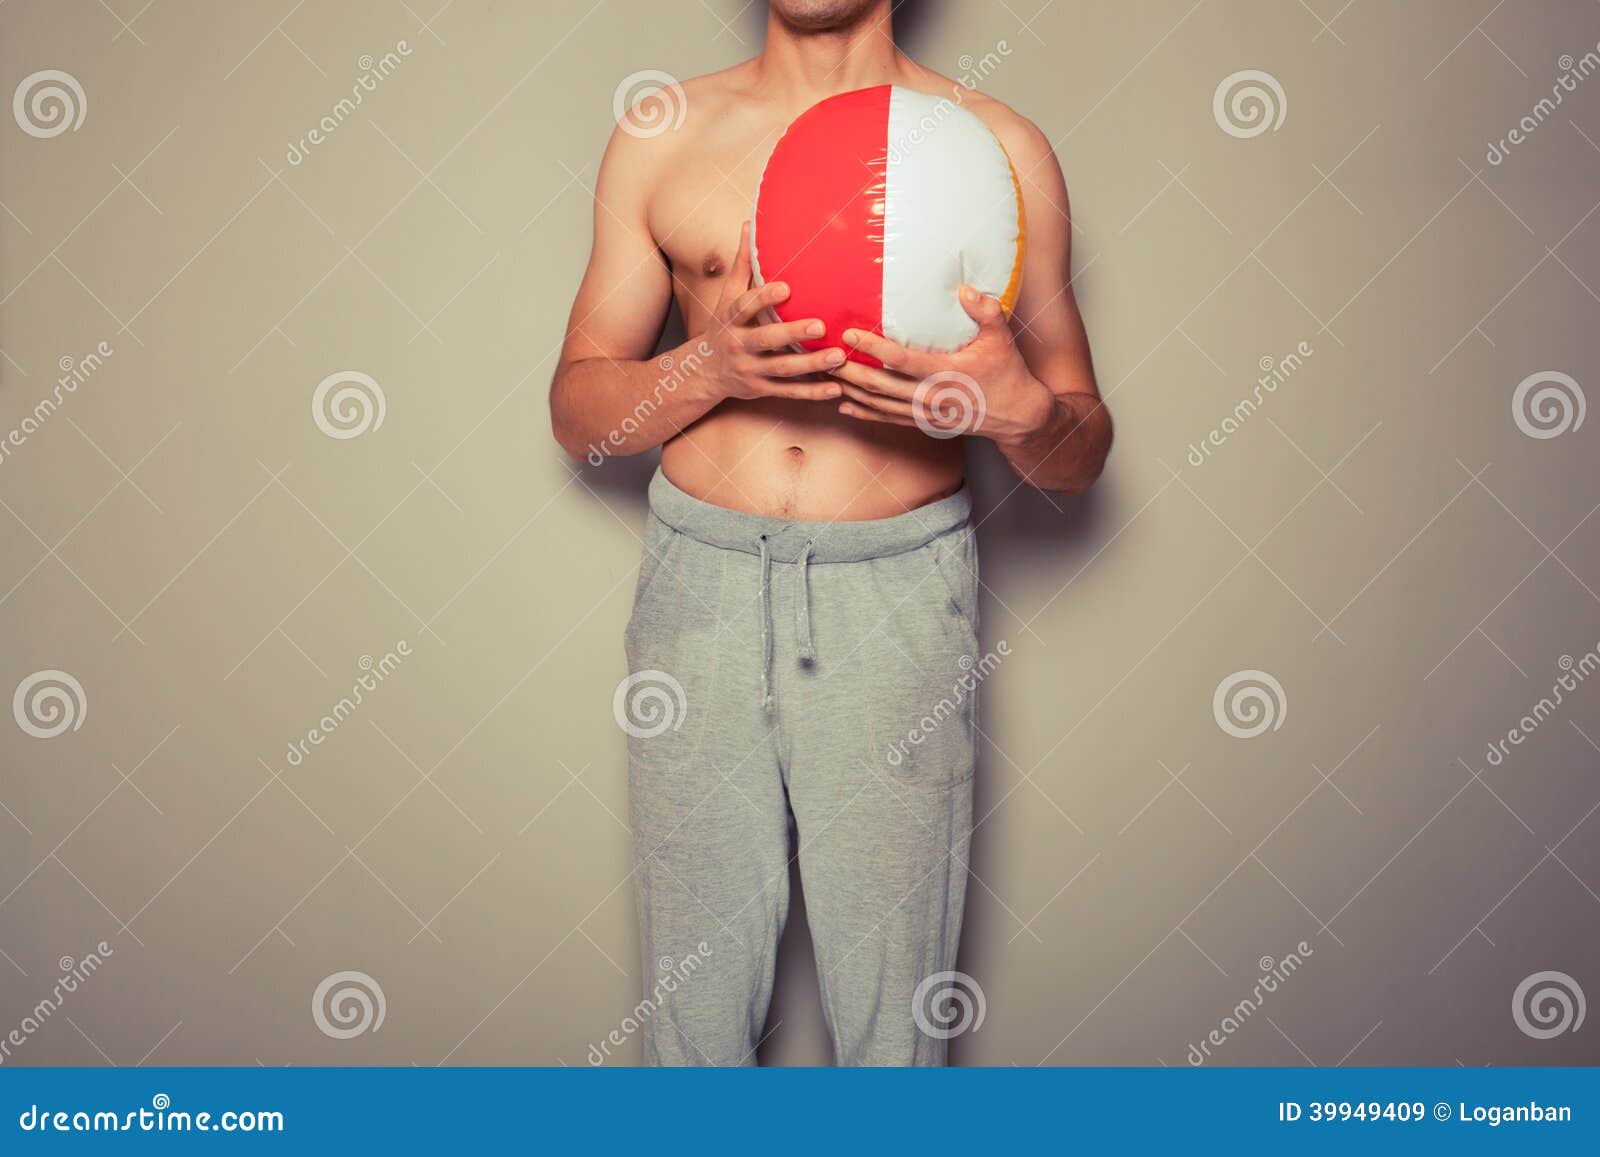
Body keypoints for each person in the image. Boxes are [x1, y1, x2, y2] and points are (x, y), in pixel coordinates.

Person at [550, 0, 1111, 1065]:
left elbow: (1079, 451)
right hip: (700, 590)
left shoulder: (997, 146)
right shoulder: (663, 133)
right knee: (692, 1022)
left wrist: (1016, 412)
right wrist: (704, 367)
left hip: (895, 594)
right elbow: (579, 413)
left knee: (895, 1025)